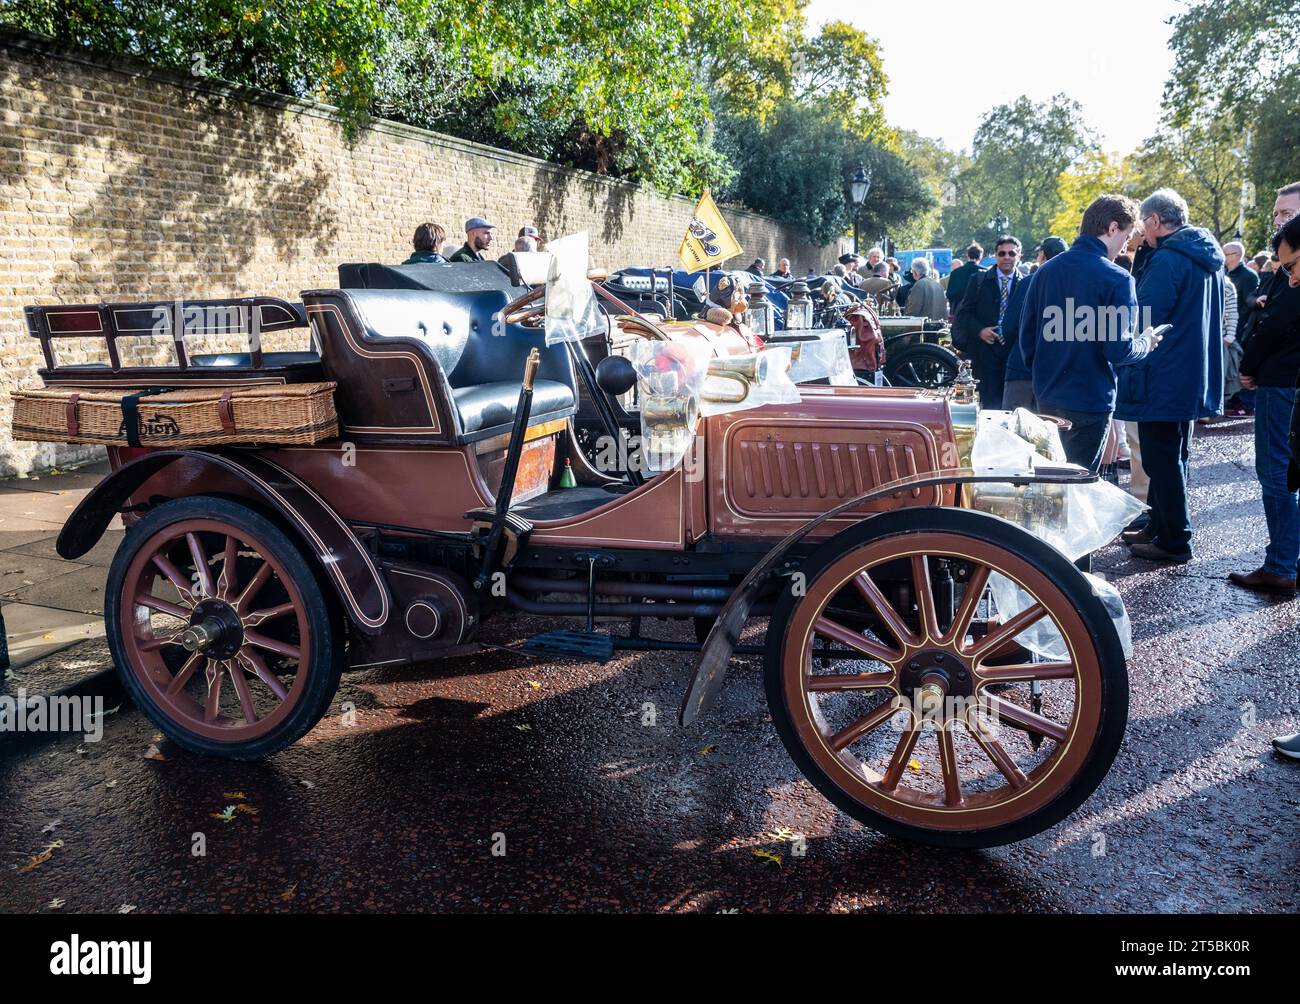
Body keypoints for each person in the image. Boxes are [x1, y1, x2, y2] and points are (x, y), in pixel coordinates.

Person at [1115, 188, 1224, 563]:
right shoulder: (1203, 256)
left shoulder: (1168, 259)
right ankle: (1161, 526)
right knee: (1174, 456)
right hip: (1189, 372)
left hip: (1163, 372)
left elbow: (1145, 312)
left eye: (1143, 225)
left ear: (1155, 221)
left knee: (1162, 459)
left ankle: (1175, 539)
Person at [1019, 201, 1158, 470]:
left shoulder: (1045, 271)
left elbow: (1027, 340)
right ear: (1112, 227)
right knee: (1078, 486)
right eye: (1126, 237)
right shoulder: (1117, 278)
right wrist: (1145, 344)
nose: (1124, 247)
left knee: (1049, 483)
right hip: (1090, 398)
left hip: (1048, 393)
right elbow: (1118, 349)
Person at [1231, 203, 1300, 596]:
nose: (1288, 277)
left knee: (1277, 473)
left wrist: (1251, 365)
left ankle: (1280, 564)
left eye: (1286, 213)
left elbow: (1274, 323)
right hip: (1286, 380)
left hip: (1281, 381)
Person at [954, 236, 1021, 410]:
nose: (1007, 257)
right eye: (1002, 253)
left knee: (1014, 406)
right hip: (985, 353)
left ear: (1018, 255)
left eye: (1011, 253)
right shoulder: (979, 280)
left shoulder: (1026, 283)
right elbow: (963, 314)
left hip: (1014, 354)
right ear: (996, 256)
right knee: (990, 405)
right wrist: (980, 331)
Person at [1002, 236, 1067, 411]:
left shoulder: (1028, 283)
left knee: (1013, 427)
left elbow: (1009, 326)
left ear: (1042, 256)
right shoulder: (1071, 286)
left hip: (1021, 367)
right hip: (1055, 372)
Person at [946, 243, 985, 312]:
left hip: (960, 312)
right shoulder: (985, 272)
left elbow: (949, 294)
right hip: (980, 312)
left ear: (967, 255)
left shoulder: (955, 273)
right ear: (980, 257)